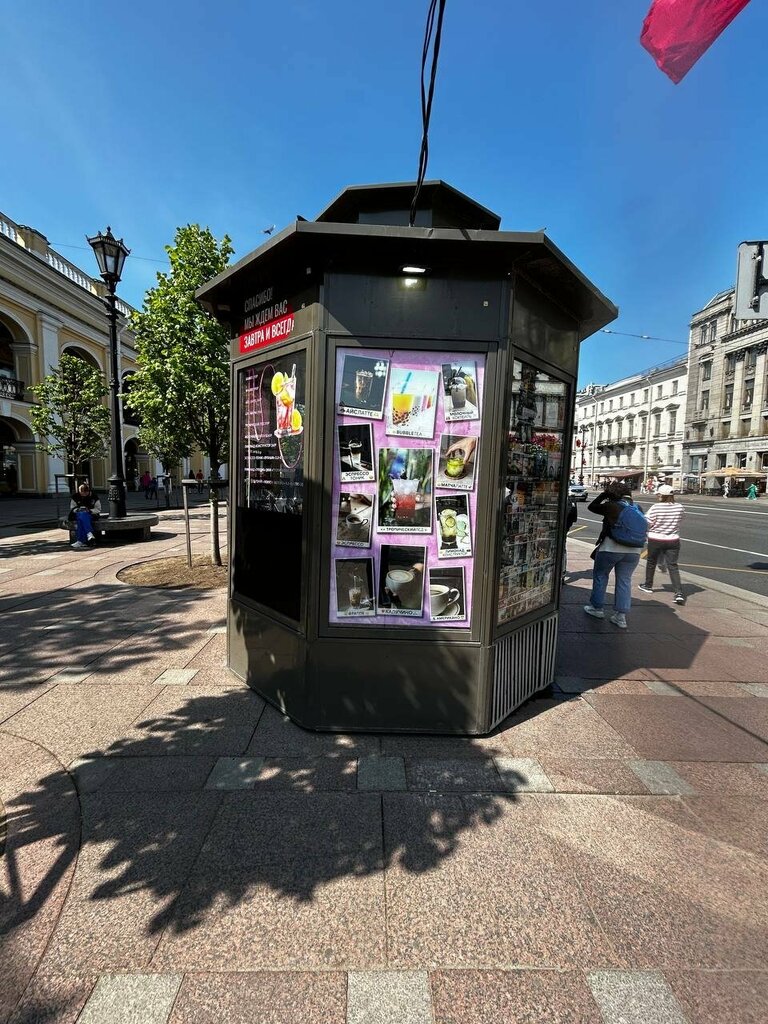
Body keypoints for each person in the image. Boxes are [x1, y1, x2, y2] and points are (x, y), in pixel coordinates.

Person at [584, 481, 646, 629]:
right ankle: (621, 617)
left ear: (611, 494)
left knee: (601, 575)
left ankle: (597, 608)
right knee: (624, 580)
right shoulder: (637, 508)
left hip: (610, 548)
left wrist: (603, 495)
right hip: (634, 551)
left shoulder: (611, 506)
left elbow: (591, 507)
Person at [638, 484, 685, 604]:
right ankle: (678, 593)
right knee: (673, 566)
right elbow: (681, 520)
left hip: (656, 539)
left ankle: (648, 585)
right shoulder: (679, 507)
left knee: (651, 562)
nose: (657, 496)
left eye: (658, 494)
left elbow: (647, 522)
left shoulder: (656, 507)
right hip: (673, 540)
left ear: (662, 495)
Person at [68, 484, 102, 550]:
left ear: (88, 492)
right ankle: (89, 533)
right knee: (81, 515)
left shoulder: (94, 497)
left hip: (91, 515)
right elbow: (72, 508)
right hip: (77, 514)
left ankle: (80, 541)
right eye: (81, 493)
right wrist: (77, 509)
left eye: (85, 493)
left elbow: (98, 509)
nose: (83, 494)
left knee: (81, 519)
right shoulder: (75, 497)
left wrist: (89, 510)